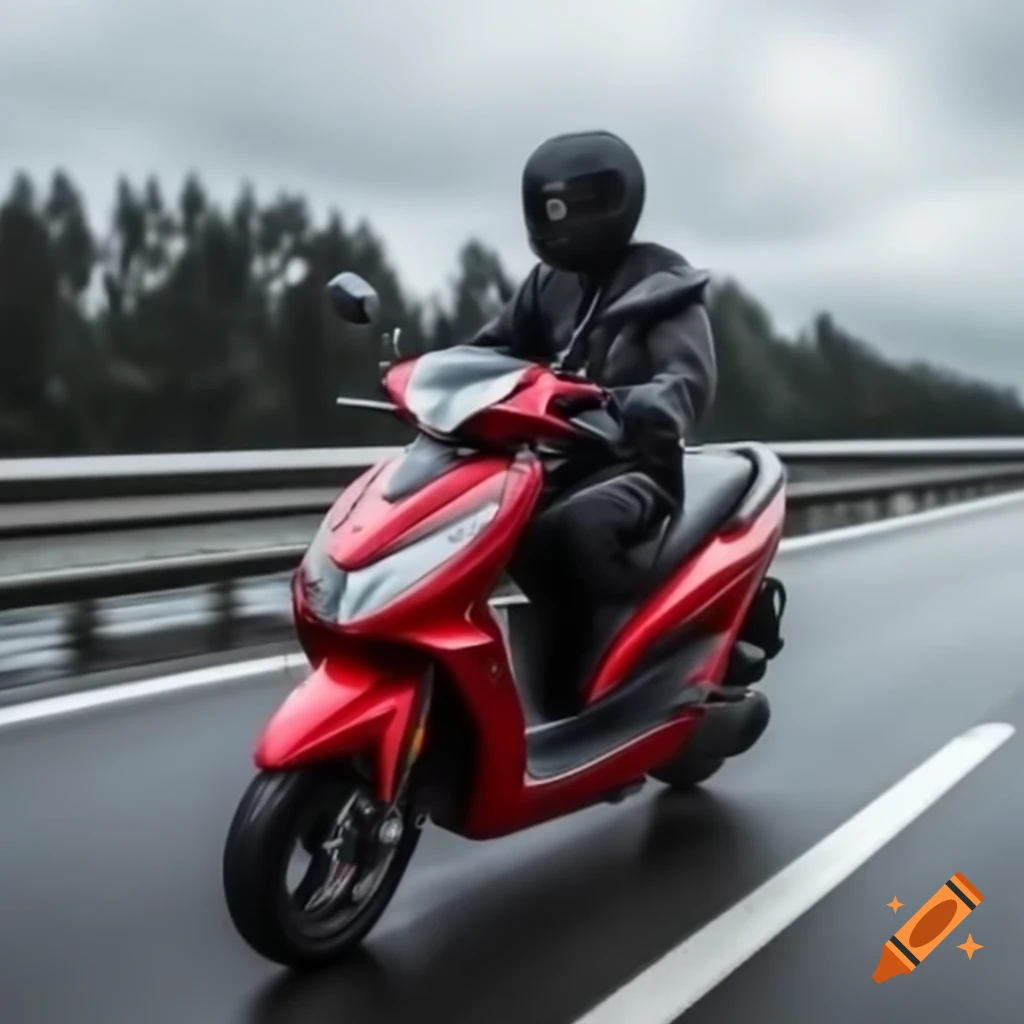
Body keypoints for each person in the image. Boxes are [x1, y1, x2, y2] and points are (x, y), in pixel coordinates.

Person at [470, 130, 717, 609]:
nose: (566, 218)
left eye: (583, 203)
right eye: (555, 207)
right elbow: (489, 351)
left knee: (581, 527)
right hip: (557, 467)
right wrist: (426, 378)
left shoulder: (661, 280)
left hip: (637, 467)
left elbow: (687, 380)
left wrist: (632, 405)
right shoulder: (547, 284)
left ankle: (636, 643)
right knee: (483, 521)